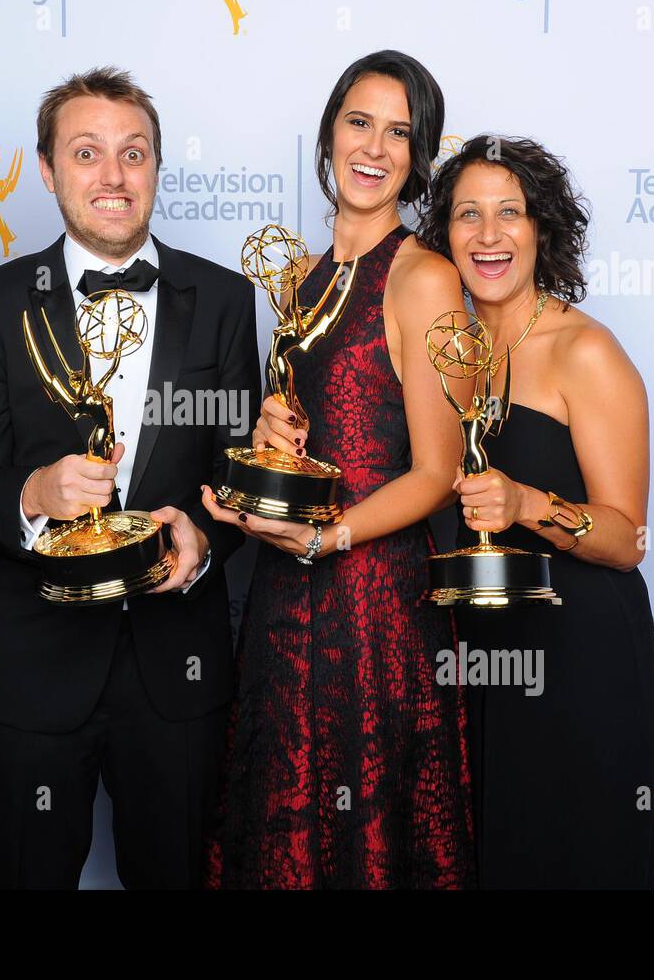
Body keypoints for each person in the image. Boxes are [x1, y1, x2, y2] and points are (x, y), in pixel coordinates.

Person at [0, 66, 260, 889]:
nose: (114, 177)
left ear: (157, 166)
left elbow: (243, 472)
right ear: (48, 171)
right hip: (34, 669)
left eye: (134, 153)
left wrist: (206, 539)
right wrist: (32, 497)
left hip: (178, 672)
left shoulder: (227, 298)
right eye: (87, 153)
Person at [199, 49, 475, 888]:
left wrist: (329, 538)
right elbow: (327, 429)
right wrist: (273, 430)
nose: (376, 147)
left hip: (375, 607)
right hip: (287, 593)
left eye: (401, 132)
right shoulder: (308, 279)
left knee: (366, 842)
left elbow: (437, 470)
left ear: (419, 159)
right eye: (360, 121)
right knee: (286, 828)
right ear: (328, 134)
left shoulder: (422, 275)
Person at [419, 134, 654, 889]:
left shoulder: (583, 351)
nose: (488, 236)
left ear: (541, 229)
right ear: (444, 236)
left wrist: (528, 502)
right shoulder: (448, 351)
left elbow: (626, 539)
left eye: (509, 214)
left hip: (579, 659)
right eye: (467, 215)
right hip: (481, 660)